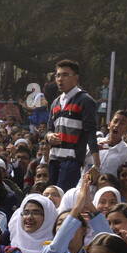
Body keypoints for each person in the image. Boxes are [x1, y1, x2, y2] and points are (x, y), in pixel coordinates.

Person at [46, 61, 100, 191]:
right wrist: (49, 136)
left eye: (65, 75)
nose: (60, 79)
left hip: (72, 160)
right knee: (52, 196)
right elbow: (48, 130)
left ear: (76, 77)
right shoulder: (55, 102)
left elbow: (91, 132)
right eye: (58, 75)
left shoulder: (85, 100)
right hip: (54, 158)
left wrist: (97, 164)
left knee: (63, 197)